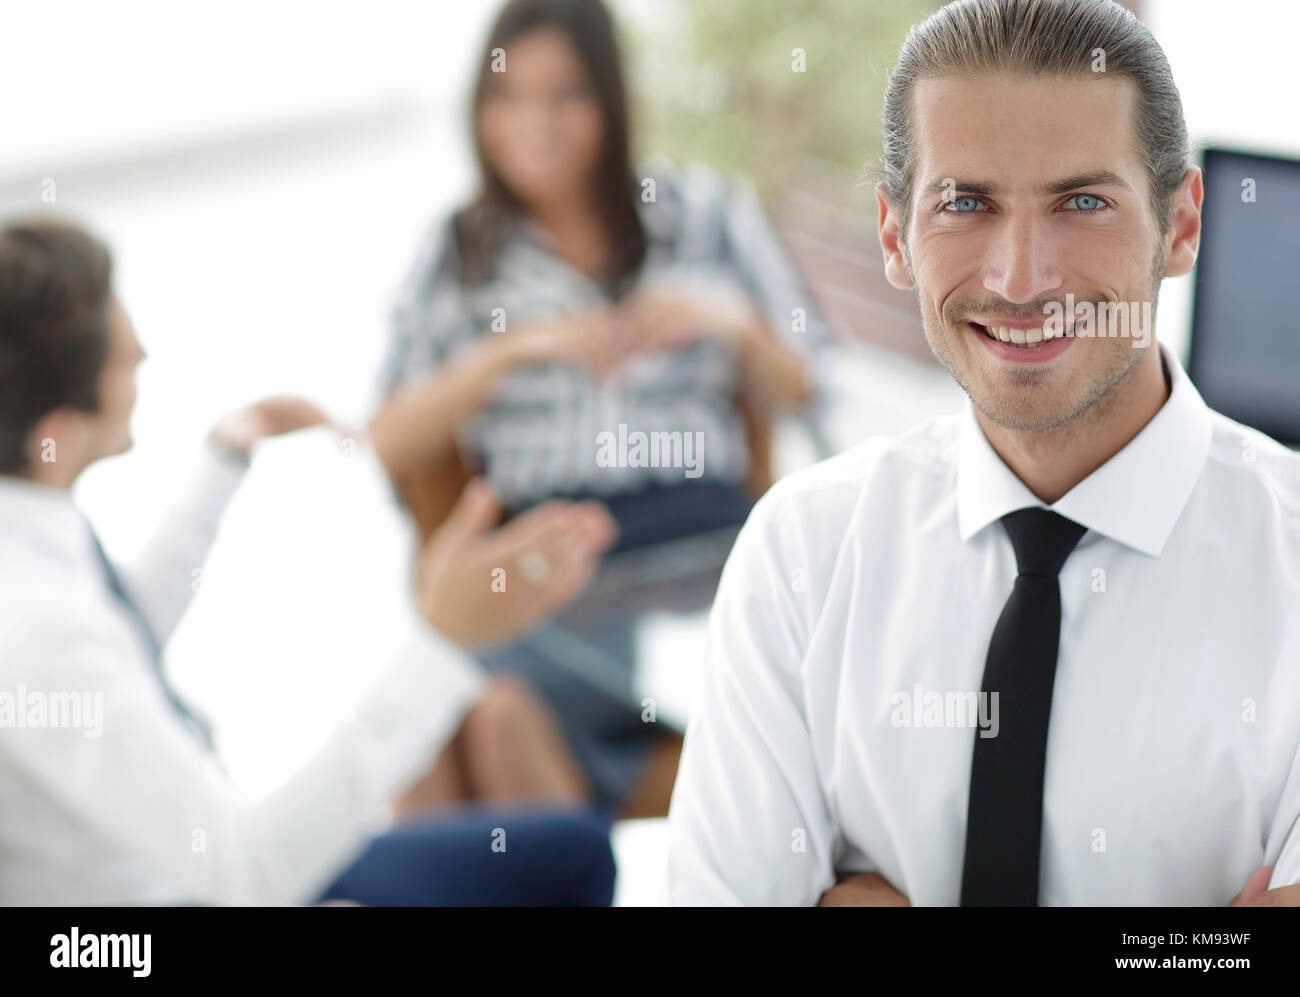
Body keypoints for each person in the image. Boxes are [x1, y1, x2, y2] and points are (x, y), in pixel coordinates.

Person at [664, 0, 1300, 906]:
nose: (1020, 278)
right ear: (895, 236)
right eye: (966, 202)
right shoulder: (803, 556)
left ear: (1182, 223)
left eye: (1083, 201)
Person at [0, 216, 619, 905]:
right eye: (119, 351)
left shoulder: (28, 538)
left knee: (569, 847)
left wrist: (225, 458)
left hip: (204, 870)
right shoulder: (35, 627)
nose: (143, 352)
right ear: (58, 429)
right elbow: (246, 873)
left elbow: (121, 634)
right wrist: (442, 639)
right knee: (572, 859)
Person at [370, 0, 828, 819]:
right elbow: (390, 439)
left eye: (565, 95)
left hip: (701, 548)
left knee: (492, 719)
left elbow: (813, 381)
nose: (533, 123)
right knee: (486, 717)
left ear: (611, 103)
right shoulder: (459, 251)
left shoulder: (706, 215)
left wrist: (729, 318)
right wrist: (508, 351)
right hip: (546, 556)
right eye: (508, 97)